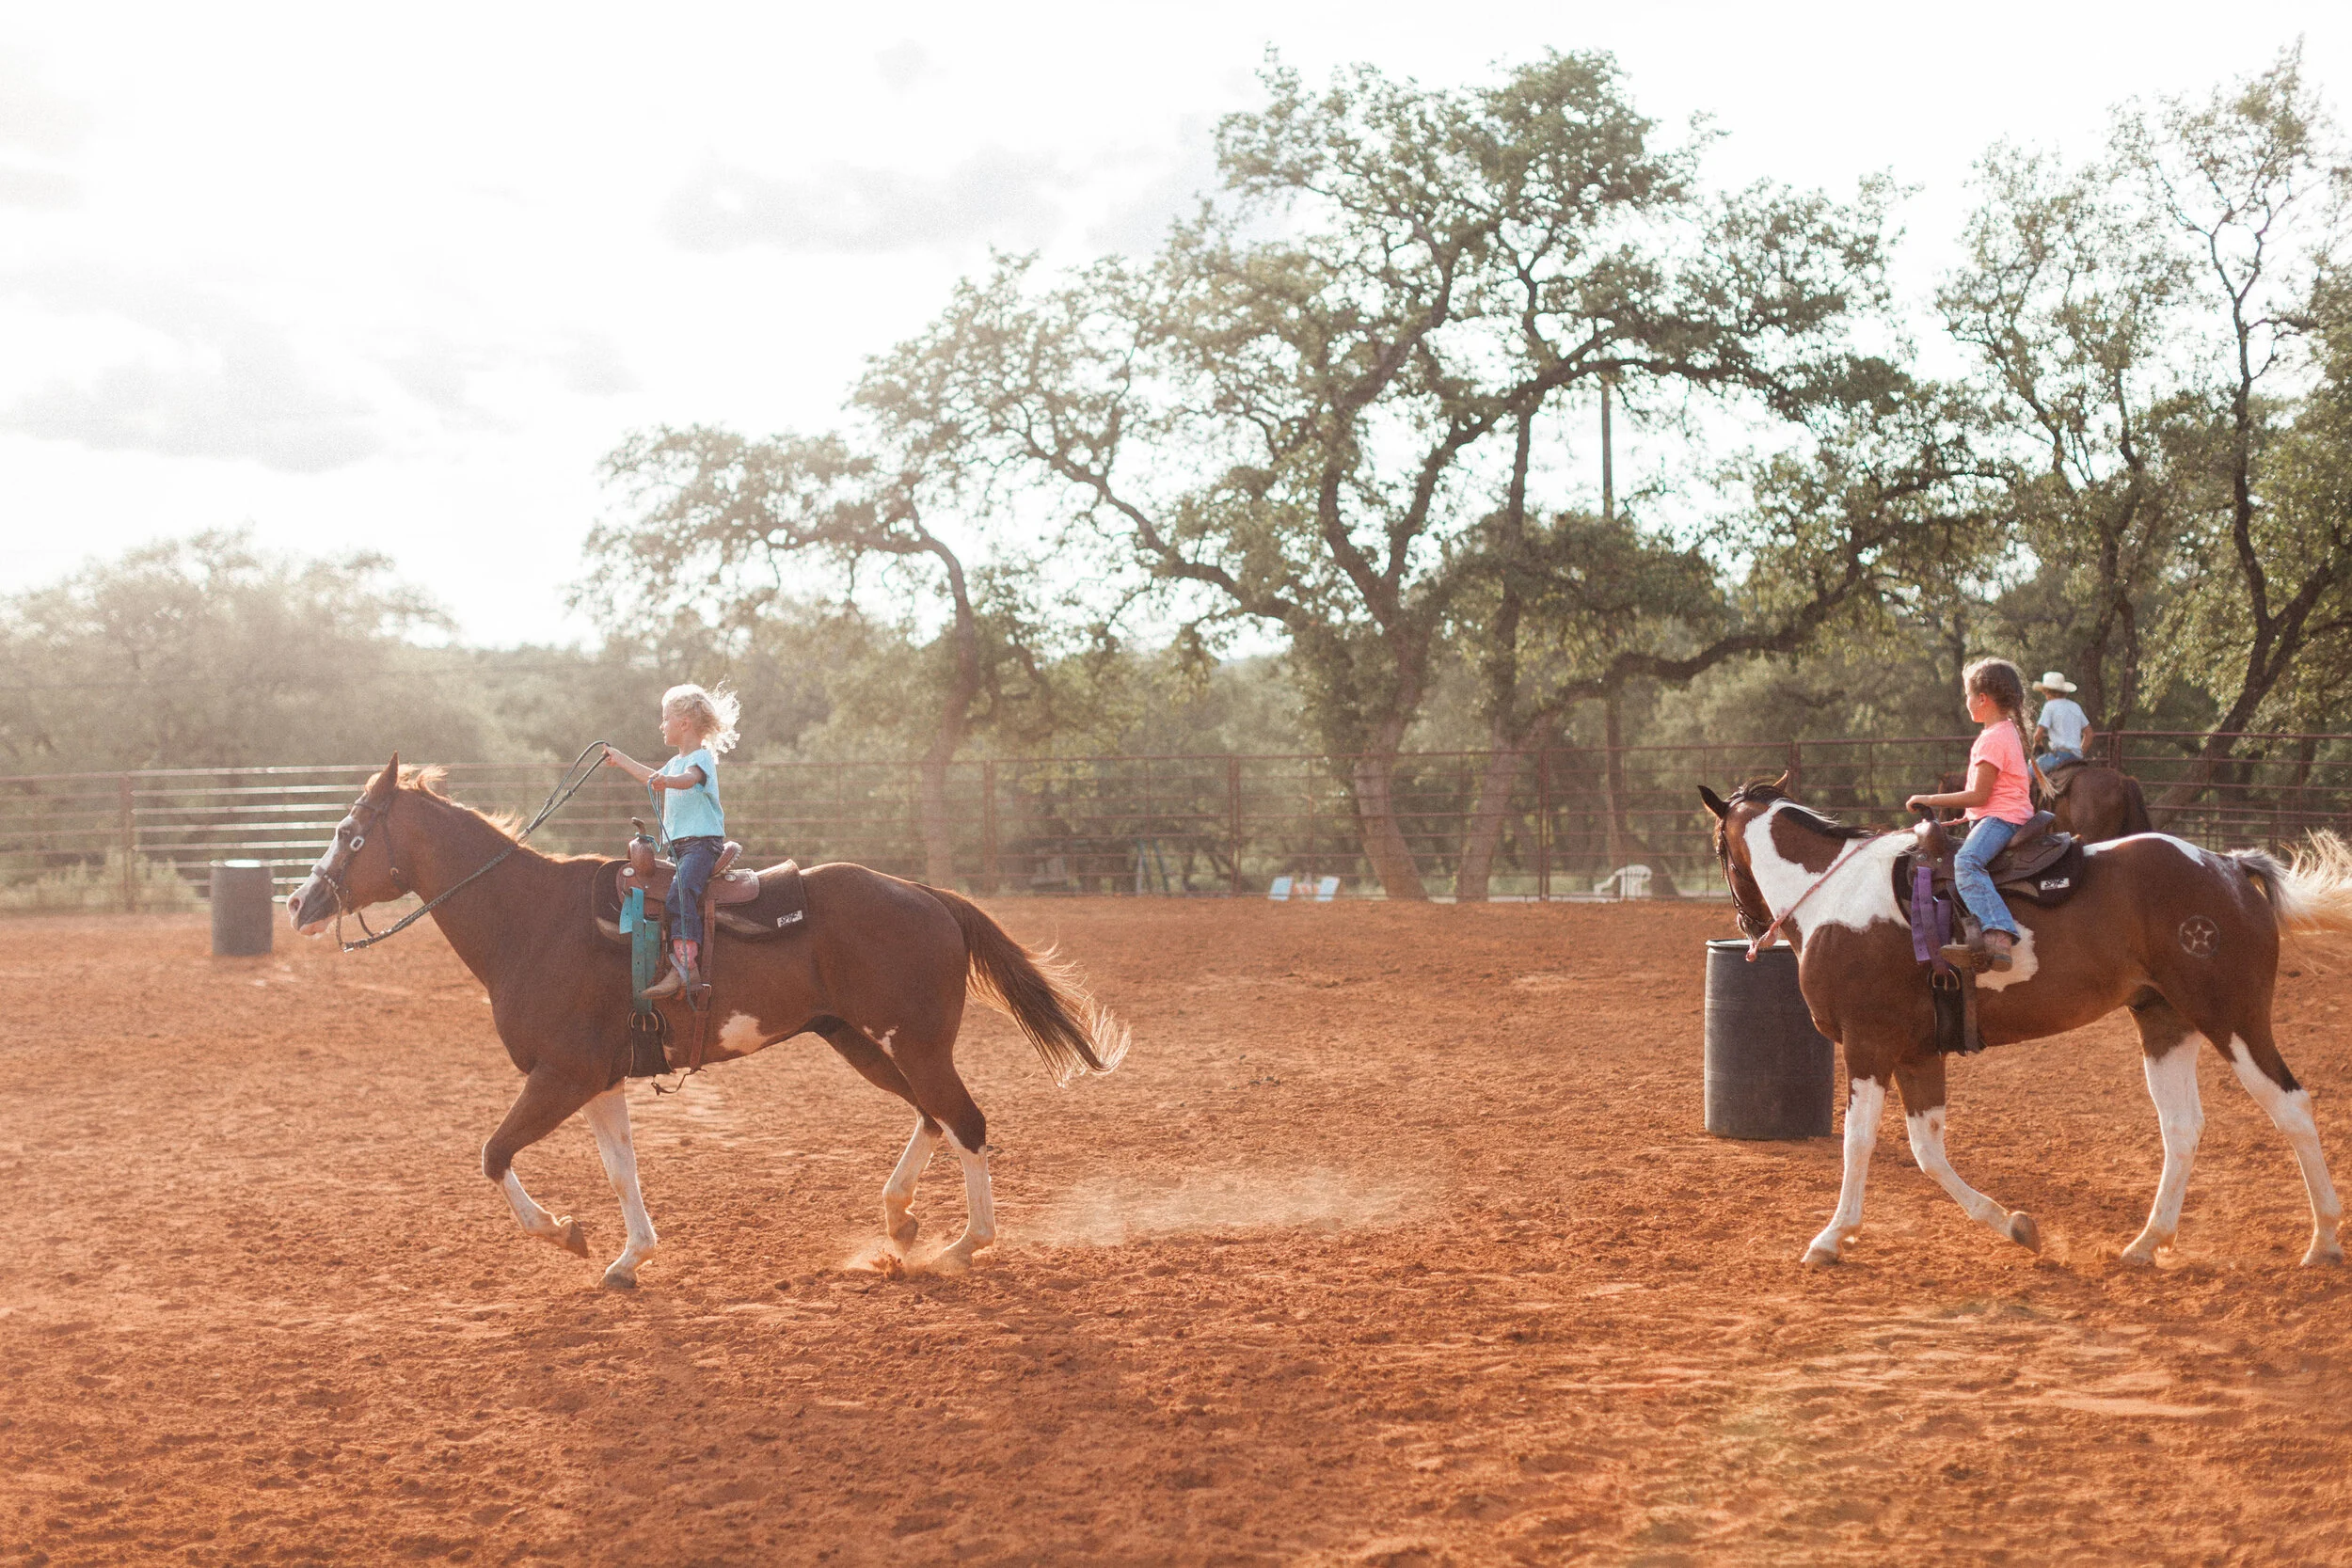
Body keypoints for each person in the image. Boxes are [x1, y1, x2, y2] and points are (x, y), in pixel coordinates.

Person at [602, 682, 740, 998]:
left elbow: (688, 780)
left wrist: (669, 782)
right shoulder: (674, 762)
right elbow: (652, 778)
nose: (661, 725)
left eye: (665, 719)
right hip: (680, 847)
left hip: (702, 844)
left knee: (680, 893)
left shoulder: (700, 759)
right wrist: (620, 759)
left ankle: (685, 969)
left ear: (683, 724)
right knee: (669, 891)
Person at [1905, 657, 2036, 972]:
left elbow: (1980, 795)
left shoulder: (1993, 738)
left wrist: (1929, 798)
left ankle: (1998, 932)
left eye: (1967, 695)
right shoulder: (2006, 732)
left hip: (2001, 818)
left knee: (1966, 863)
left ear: (1982, 699)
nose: (1966, 703)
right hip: (2000, 814)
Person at [2031, 671, 2093, 775]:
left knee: (2028, 773)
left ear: (2048, 692)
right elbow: (2089, 734)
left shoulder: (2049, 706)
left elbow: (2038, 735)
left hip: (2059, 756)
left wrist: (2037, 743)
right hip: (2076, 758)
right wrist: (2079, 754)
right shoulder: (2075, 706)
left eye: (2045, 692)